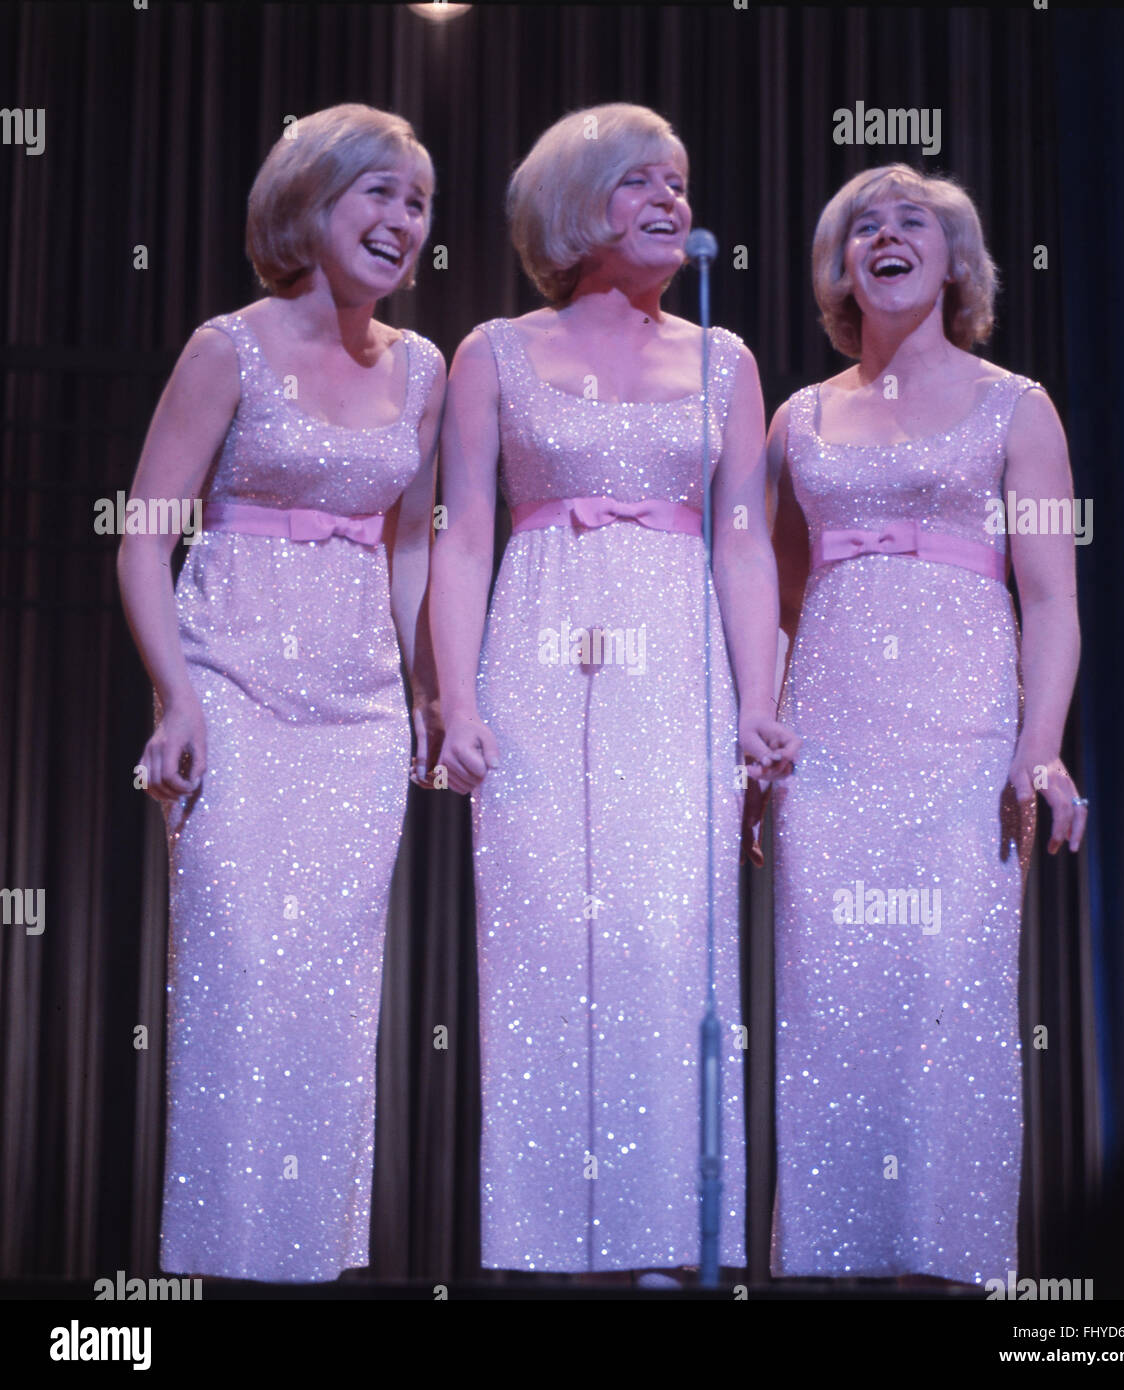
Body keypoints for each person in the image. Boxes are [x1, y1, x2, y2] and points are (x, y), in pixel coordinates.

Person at [430, 103, 794, 1280]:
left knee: (666, 944)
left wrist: (753, 697)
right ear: (577, 202)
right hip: (535, 654)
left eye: (678, 183)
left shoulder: (724, 357)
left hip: (675, 663)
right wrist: (454, 698)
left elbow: (743, 544)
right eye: (640, 179)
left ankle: (665, 1245)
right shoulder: (490, 351)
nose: (669, 200)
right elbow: (459, 534)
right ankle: (547, 1246)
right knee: (541, 944)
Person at [117, 104, 444, 1282]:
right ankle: (219, 1261)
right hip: (236, 690)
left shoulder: (422, 367)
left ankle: (310, 1264)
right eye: (379, 195)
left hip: (357, 718)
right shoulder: (228, 347)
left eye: (416, 205)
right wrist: (177, 697)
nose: (403, 222)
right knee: (240, 978)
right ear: (307, 203)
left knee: (329, 999)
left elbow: (411, 543)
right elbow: (142, 536)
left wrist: (428, 689)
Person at [759, 163, 1086, 1287]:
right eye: (862, 227)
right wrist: (763, 736)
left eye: (911, 223)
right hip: (833, 754)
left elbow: (1048, 598)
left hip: (961, 751)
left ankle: (948, 1271)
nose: (884, 236)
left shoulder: (1018, 406)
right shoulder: (797, 416)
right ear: (839, 267)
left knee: (949, 1018)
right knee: (831, 1017)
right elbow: (774, 601)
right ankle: (827, 1267)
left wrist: (1035, 745)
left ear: (956, 264)